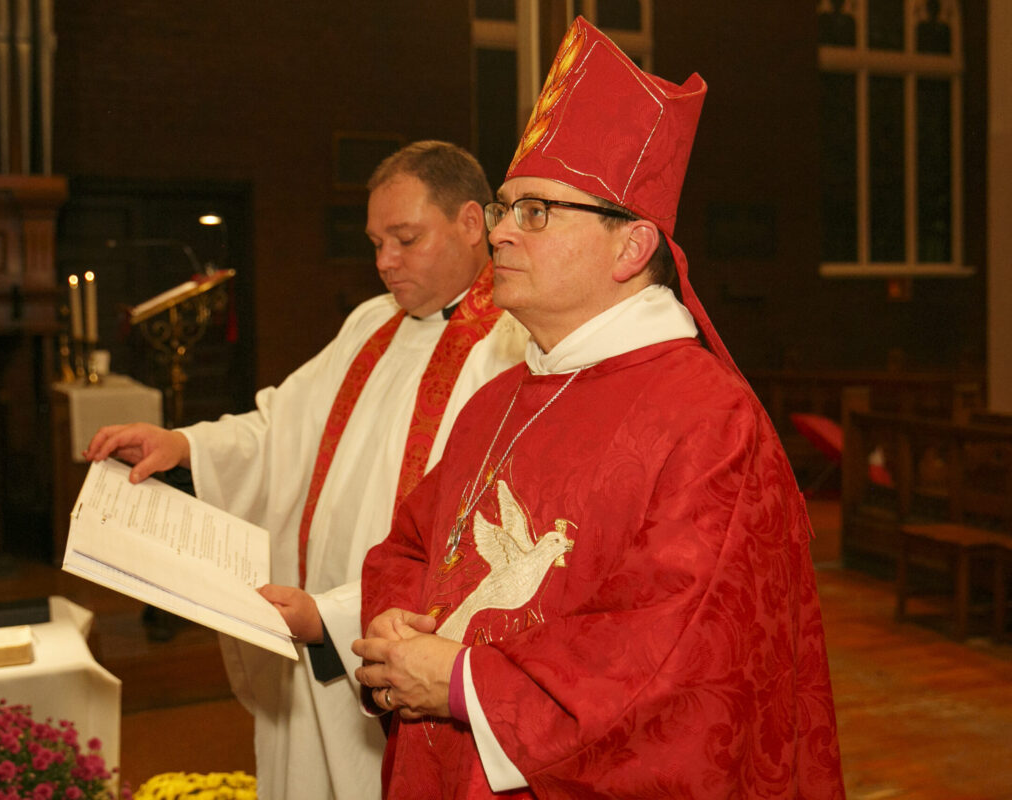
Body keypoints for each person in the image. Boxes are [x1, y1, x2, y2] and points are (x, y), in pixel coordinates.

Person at [353, 19, 846, 799]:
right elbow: (407, 550)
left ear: (630, 247)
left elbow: (680, 669)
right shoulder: (493, 404)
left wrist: (460, 680)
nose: (502, 234)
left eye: (536, 212)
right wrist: (393, 630)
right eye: (504, 207)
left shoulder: (707, 421)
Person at [83, 140, 528, 800]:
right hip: (305, 632)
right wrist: (184, 446)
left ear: (472, 223)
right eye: (377, 241)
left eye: (406, 238)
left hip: (384, 650)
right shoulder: (371, 324)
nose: (384, 263)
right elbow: (280, 430)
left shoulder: (514, 346)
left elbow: (480, 542)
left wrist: (335, 616)